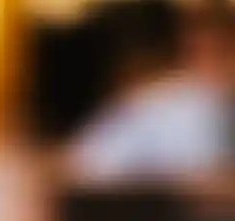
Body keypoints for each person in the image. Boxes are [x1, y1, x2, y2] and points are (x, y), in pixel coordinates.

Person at [69, 1, 232, 182]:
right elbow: (85, 165)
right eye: (200, 44)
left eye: (222, 48)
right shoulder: (151, 105)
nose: (210, 55)